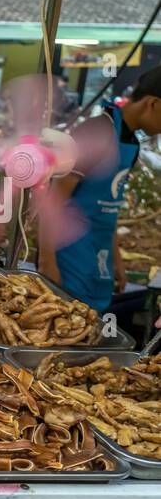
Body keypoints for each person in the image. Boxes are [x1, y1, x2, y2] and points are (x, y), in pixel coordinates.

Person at [40, 65, 161, 313]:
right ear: (154, 104)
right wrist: (47, 263)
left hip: (99, 256)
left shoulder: (132, 143)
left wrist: (116, 260)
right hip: (68, 256)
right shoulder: (96, 130)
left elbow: (109, 206)